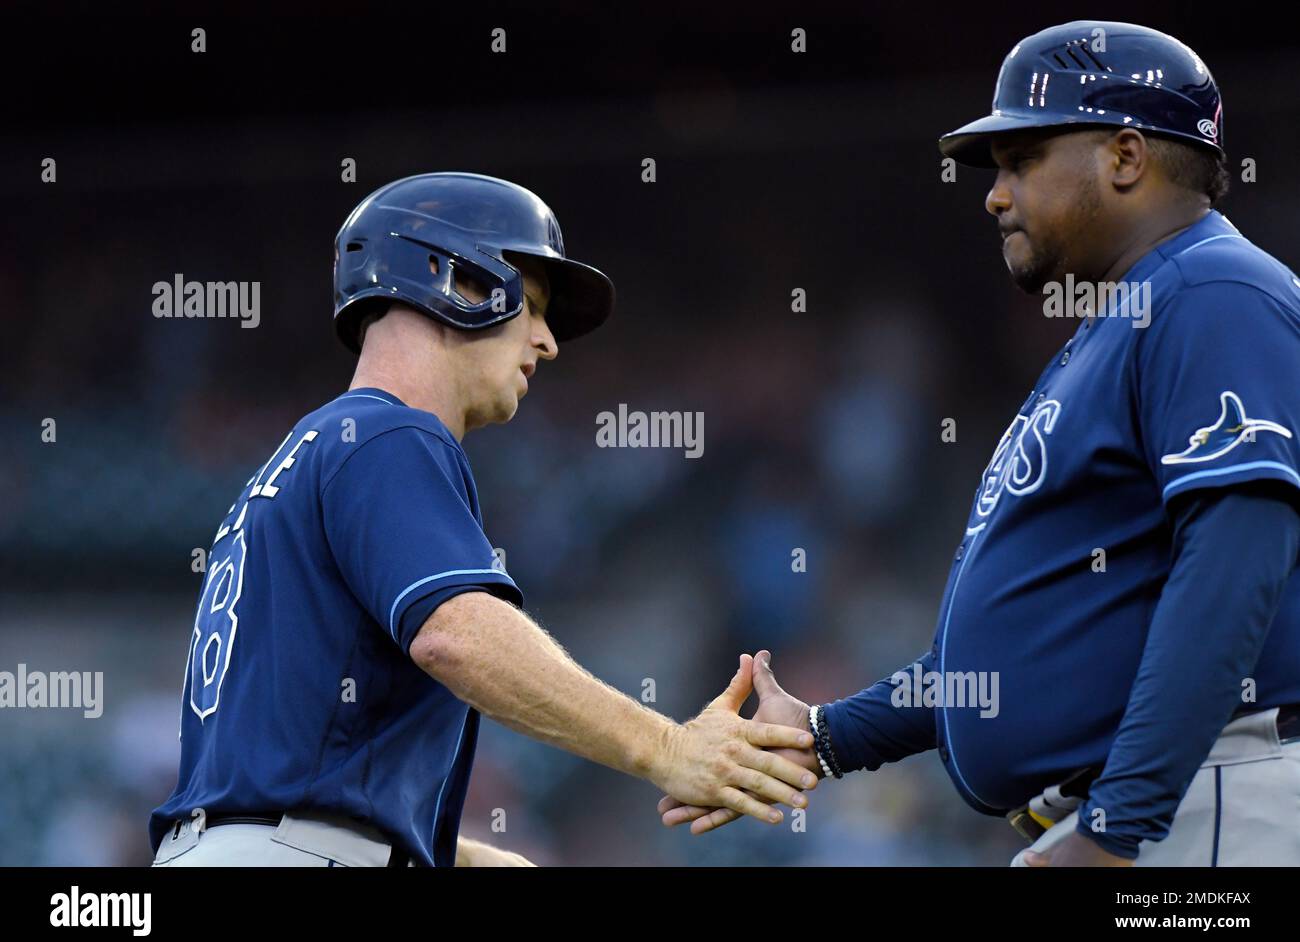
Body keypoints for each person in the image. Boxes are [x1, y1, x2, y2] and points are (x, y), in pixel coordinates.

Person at [660, 21, 1300, 866]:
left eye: (1022, 158)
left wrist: (1118, 826)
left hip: (1208, 800)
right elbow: (1014, 649)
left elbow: (1235, 555)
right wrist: (826, 734)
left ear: (1126, 156)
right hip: (1150, 810)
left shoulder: (1213, 290)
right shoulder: (1121, 325)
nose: (995, 195)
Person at [150, 172, 817, 867]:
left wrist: (460, 858)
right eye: (530, 304)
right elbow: (457, 638)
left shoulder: (306, 457)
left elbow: (298, 768)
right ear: (459, 282)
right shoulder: (389, 436)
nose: (547, 341)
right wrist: (667, 749)